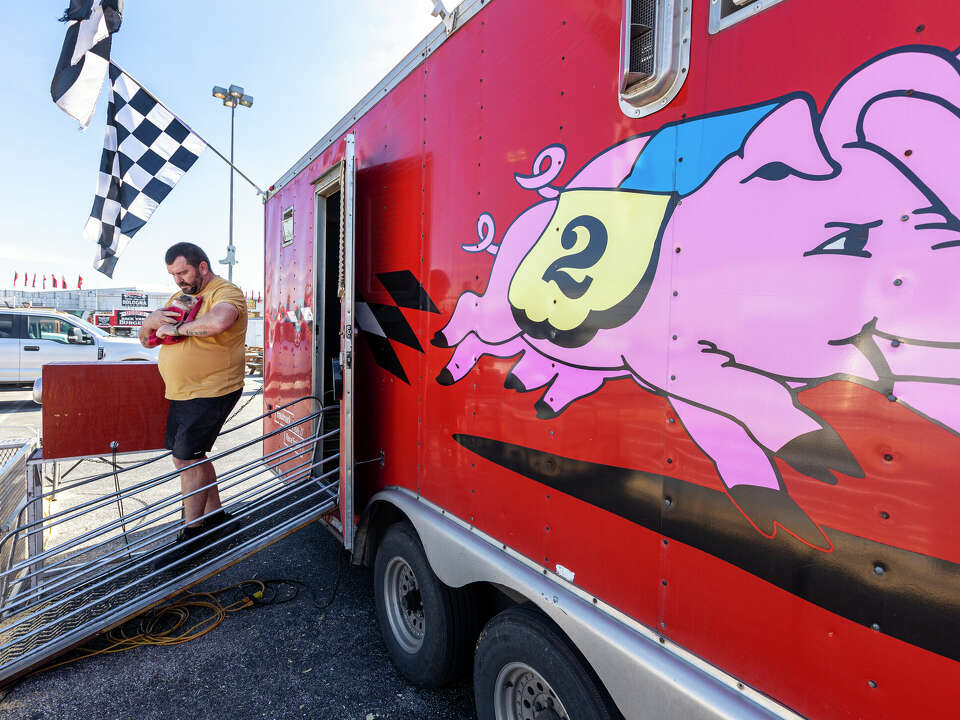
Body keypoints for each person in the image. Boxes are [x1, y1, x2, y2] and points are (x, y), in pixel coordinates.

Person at [139, 242, 248, 564]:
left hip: (212, 389)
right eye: (173, 274)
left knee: (187, 460)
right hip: (182, 391)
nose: (179, 280)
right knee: (190, 458)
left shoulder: (225, 291)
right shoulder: (181, 298)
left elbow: (218, 322)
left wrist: (177, 327)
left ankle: (192, 534)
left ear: (202, 266)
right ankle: (216, 518)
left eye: (183, 272)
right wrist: (151, 319)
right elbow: (145, 340)